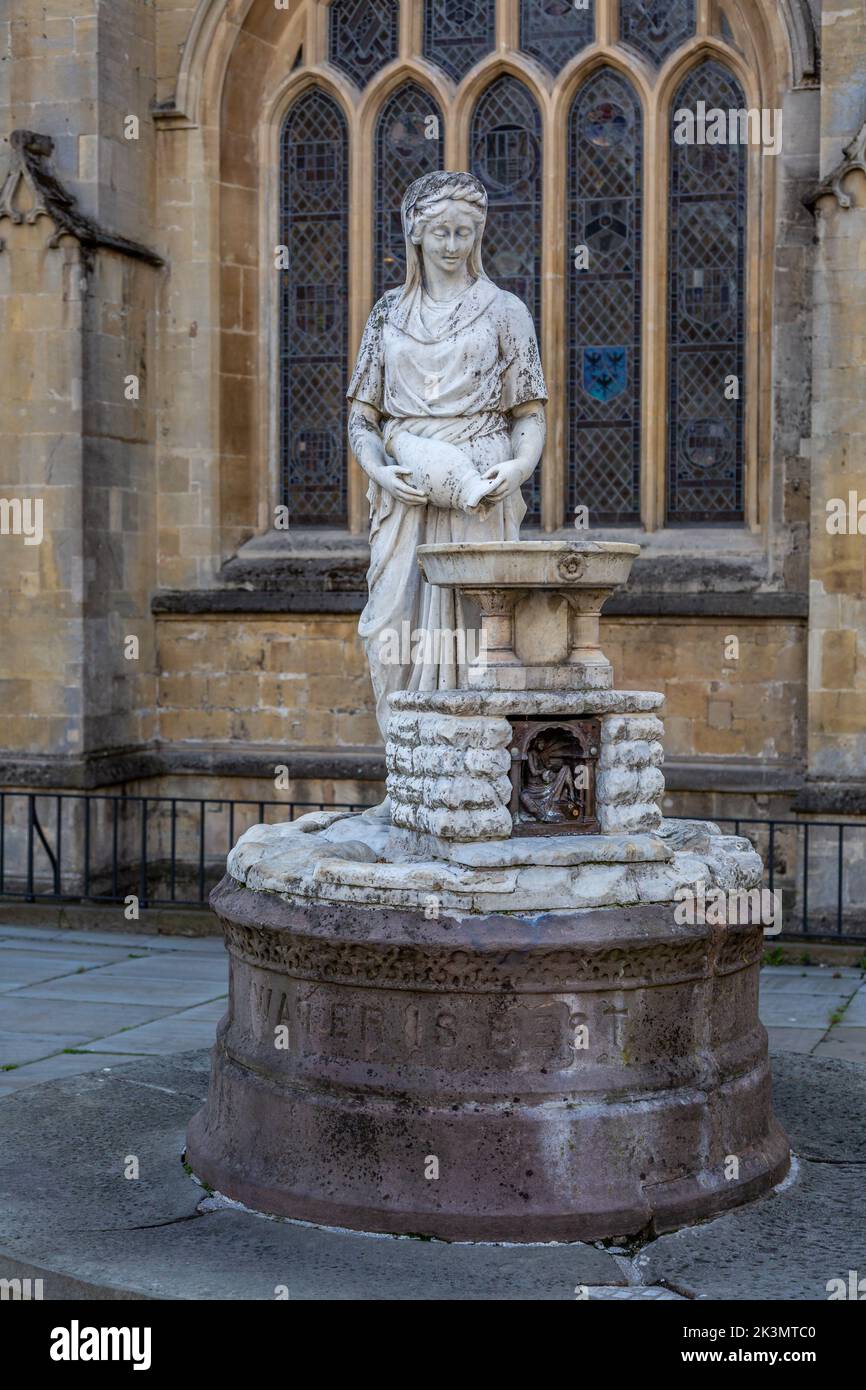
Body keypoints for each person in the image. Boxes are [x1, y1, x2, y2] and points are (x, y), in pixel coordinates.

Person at [347, 169, 547, 742]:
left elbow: (529, 412)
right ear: (416, 233)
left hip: (481, 478)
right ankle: (409, 761)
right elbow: (363, 419)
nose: (454, 245)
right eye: (442, 232)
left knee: (481, 626)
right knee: (391, 625)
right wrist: (380, 469)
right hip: (406, 485)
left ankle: (479, 759)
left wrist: (520, 467)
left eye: (465, 232)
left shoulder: (505, 311)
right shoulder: (387, 314)